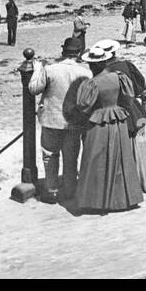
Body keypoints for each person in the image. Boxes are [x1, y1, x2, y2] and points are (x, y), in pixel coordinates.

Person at [72, 44, 144, 212]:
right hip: (118, 119)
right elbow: (129, 97)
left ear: (92, 65)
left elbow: (83, 105)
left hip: (99, 122)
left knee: (96, 158)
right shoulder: (119, 77)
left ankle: (98, 200)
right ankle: (125, 198)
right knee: (122, 158)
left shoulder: (91, 84)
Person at [27, 47, 90, 203]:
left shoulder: (50, 70)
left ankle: (52, 190)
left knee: (50, 155)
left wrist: (37, 69)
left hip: (51, 120)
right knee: (71, 158)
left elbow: (33, 89)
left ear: (63, 53)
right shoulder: (86, 73)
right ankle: (70, 190)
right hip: (73, 122)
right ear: (78, 54)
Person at [102, 40, 146, 191]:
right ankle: (145, 177)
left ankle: (133, 181)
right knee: (140, 143)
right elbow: (141, 84)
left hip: (119, 113)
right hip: (137, 110)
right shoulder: (127, 65)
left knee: (128, 146)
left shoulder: (104, 73)